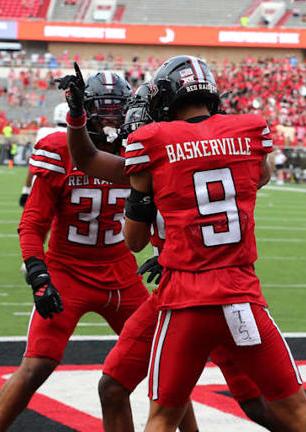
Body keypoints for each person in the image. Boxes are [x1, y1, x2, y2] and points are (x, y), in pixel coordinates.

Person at [116, 55, 306, 431]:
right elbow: (260, 177)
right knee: (301, 413)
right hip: (242, 297)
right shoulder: (249, 129)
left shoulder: (150, 140)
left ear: (167, 96)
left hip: (186, 298)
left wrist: (158, 189)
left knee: (163, 418)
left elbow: (134, 241)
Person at [58, 76, 281, 431]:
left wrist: (76, 116)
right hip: (198, 285)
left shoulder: (157, 146)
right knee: (118, 388)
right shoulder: (232, 139)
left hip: (190, 290)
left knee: (191, 409)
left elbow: (131, 236)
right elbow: (252, 180)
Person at [0, 72, 150, 432]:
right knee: (37, 366)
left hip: (123, 273)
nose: (109, 120)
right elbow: (32, 223)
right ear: (84, 111)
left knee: (162, 364)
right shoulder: (59, 149)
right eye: (101, 111)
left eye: (116, 111)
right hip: (67, 273)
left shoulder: (140, 146)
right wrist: (38, 275)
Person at [19, 102, 68, 206]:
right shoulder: (78, 136)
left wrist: (25, 190)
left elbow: (34, 166)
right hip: (66, 189)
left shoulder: (43, 132)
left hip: (40, 189)